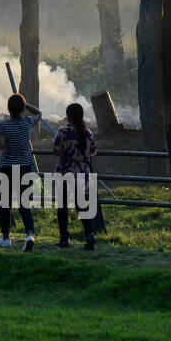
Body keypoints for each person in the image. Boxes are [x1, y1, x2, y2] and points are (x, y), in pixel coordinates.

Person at [0, 92, 38, 251]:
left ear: (8, 109)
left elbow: (0, 147)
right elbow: (39, 113)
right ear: (22, 108)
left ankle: (6, 238)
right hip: (25, 167)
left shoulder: (3, 126)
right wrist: (26, 105)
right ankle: (29, 235)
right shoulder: (27, 122)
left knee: (4, 204)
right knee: (24, 203)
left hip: (8, 168)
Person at [54, 102, 98, 250]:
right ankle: (90, 234)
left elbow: (56, 149)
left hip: (65, 173)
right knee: (81, 207)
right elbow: (93, 151)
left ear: (68, 117)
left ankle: (64, 238)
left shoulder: (63, 132)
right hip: (82, 175)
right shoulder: (89, 133)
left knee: (62, 207)